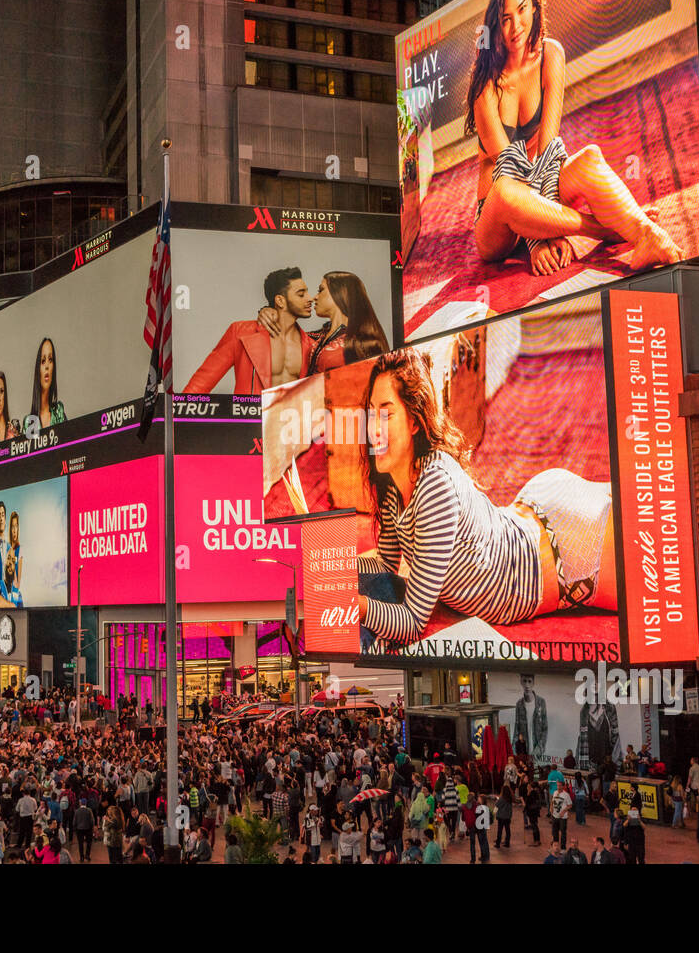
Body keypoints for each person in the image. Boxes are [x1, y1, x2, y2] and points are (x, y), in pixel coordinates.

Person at [356, 348, 617, 649]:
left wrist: (353, 603)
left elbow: (412, 623)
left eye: (386, 414)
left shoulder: (434, 486)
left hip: (565, 550)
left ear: (414, 421)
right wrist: (334, 572)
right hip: (527, 517)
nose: (373, 429)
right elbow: (387, 565)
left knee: (664, 556)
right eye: (371, 414)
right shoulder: (392, 489)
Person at [465, 0, 682, 275]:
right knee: (506, 191)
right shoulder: (486, 89)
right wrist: (537, 240)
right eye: (506, 20)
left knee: (590, 158)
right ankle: (604, 229)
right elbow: (509, 170)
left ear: (533, 6)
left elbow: (549, 153)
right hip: (499, 219)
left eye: (521, 10)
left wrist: (545, 226)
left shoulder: (551, 55)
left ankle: (647, 233)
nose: (516, 26)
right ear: (496, 26)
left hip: (543, 190)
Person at [185, 267, 315, 395]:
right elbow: (201, 382)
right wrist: (179, 413)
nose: (310, 298)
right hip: (250, 415)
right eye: (301, 294)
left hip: (292, 415)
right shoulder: (240, 332)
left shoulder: (312, 345)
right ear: (280, 301)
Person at [258, 270, 390, 376]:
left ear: (339, 293)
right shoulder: (317, 337)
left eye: (321, 290)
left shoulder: (363, 340)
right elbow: (288, 333)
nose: (314, 297)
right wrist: (266, 310)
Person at [30, 337, 66, 428]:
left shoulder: (59, 412)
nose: (47, 366)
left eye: (50, 360)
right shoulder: (29, 422)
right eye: (43, 361)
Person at [512, 673, 548, 762]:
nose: (527, 685)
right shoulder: (519, 704)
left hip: (537, 750)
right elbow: (517, 728)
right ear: (521, 682)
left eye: (529, 681)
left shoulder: (541, 702)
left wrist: (539, 749)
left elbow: (545, 728)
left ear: (533, 683)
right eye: (524, 681)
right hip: (524, 750)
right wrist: (513, 750)